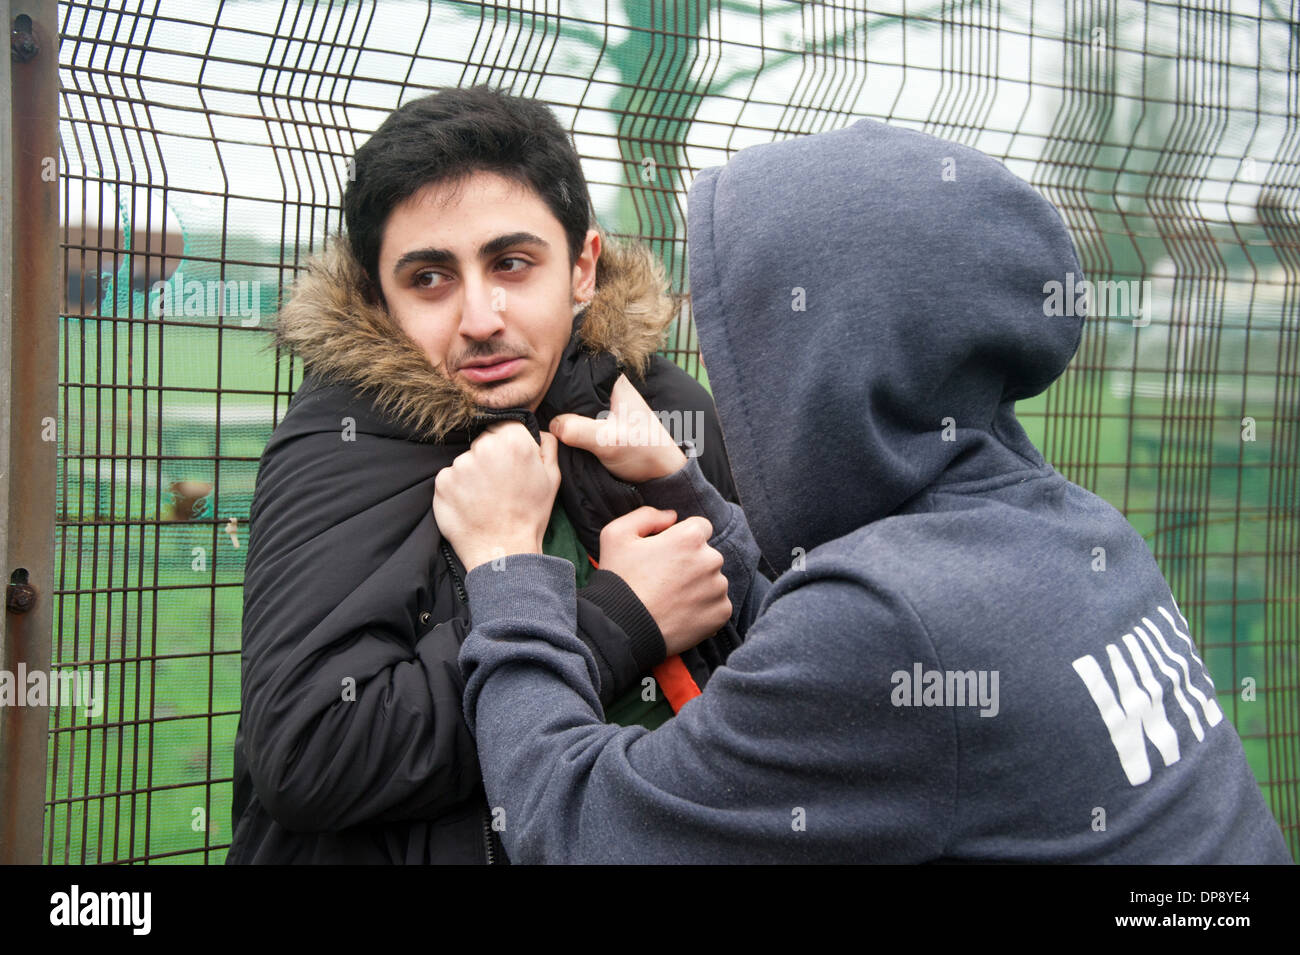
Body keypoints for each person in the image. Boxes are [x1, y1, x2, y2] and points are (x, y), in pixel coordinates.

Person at [442, 117, 1294, 863]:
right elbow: (835, 658)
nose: (717, 362)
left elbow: (580, 826)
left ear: (832, 354)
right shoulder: (1074, 532)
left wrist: (509, 570)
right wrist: (686, 489)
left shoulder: (894, 623)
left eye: (748, 332)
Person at [227, 85, 747, 864]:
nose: (479, 317)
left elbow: (778, 656)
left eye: (511, 262)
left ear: (582, 268)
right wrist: (618, 618)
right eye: (430, 278)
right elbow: (311, 752)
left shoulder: (658, 406)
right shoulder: (341, 444)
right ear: (378, 295)